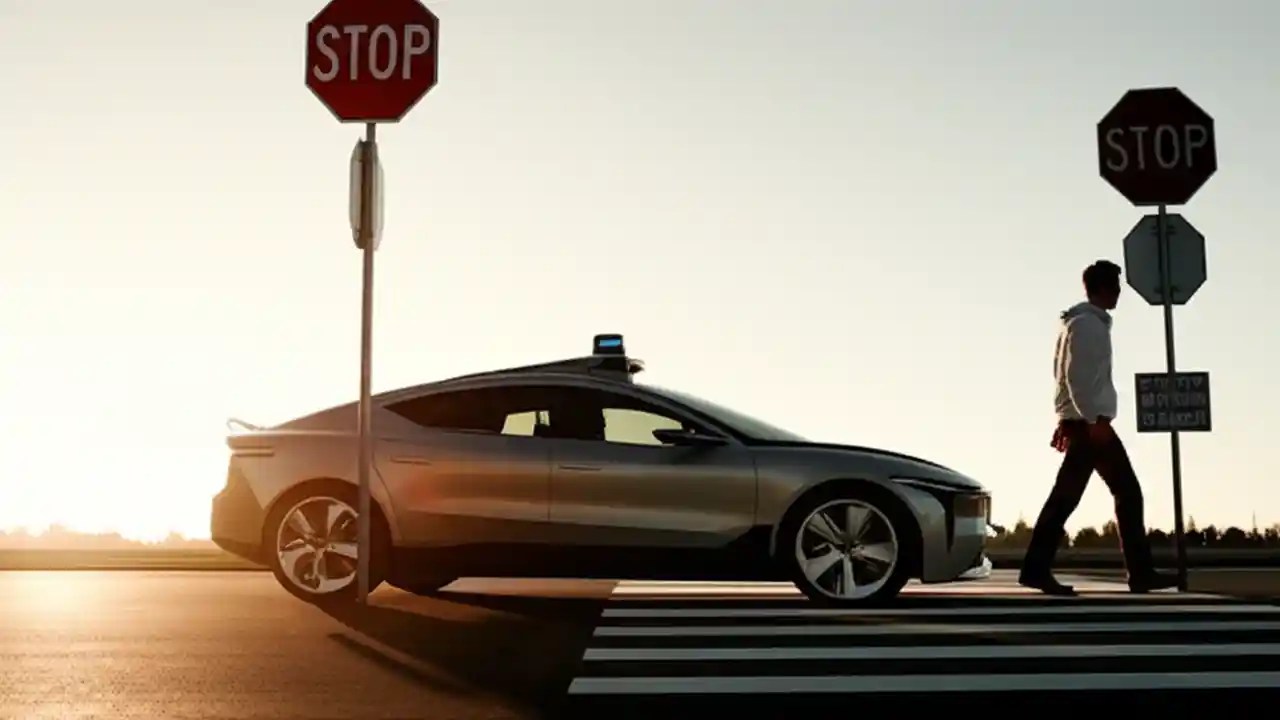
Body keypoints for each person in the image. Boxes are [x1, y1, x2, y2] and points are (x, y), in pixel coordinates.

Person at [1019, 259, 1178, 596]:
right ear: (1103, 289)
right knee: (1123, 493)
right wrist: (1092, 420)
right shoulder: (1089, 325)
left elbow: (1061, 378)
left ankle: (1037, 568)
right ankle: (1139, 573)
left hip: (1082, 422)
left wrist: (1065, 417)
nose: (1119, 293)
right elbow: (1077, 379)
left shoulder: (1074, 324)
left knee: (1069, 497)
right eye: (1115, 287)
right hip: (1092, 425)